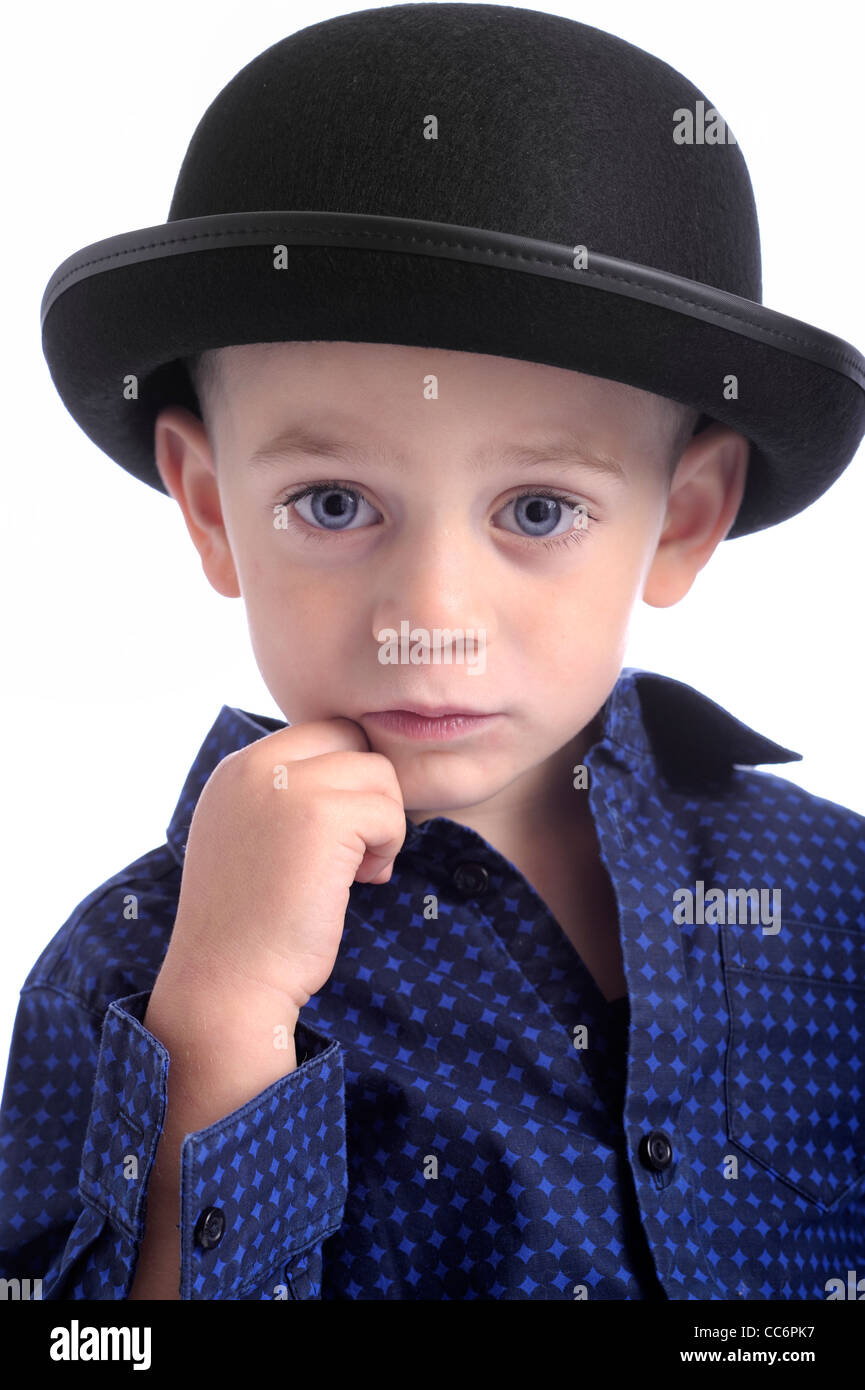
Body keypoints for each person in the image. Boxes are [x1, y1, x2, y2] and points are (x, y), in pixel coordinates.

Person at [2, 4, 864, 1301]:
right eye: (335, 504)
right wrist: (224, 1017)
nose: (427, 614)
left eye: (535, 510)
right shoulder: (134, 964)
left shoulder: (834, 893)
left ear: (683, 518)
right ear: (209, 503)